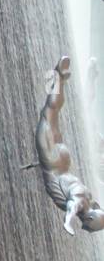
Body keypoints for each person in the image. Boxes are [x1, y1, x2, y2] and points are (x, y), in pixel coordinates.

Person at [25, 56, 104, 234]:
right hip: (53, 162)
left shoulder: (83, 200)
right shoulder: (86, 200)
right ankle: (57, 76)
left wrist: (68, 223)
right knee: (50, 113)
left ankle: (58, 76)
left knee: (51, 112)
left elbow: (71, 206)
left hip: (58, 161)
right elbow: (70, 202)